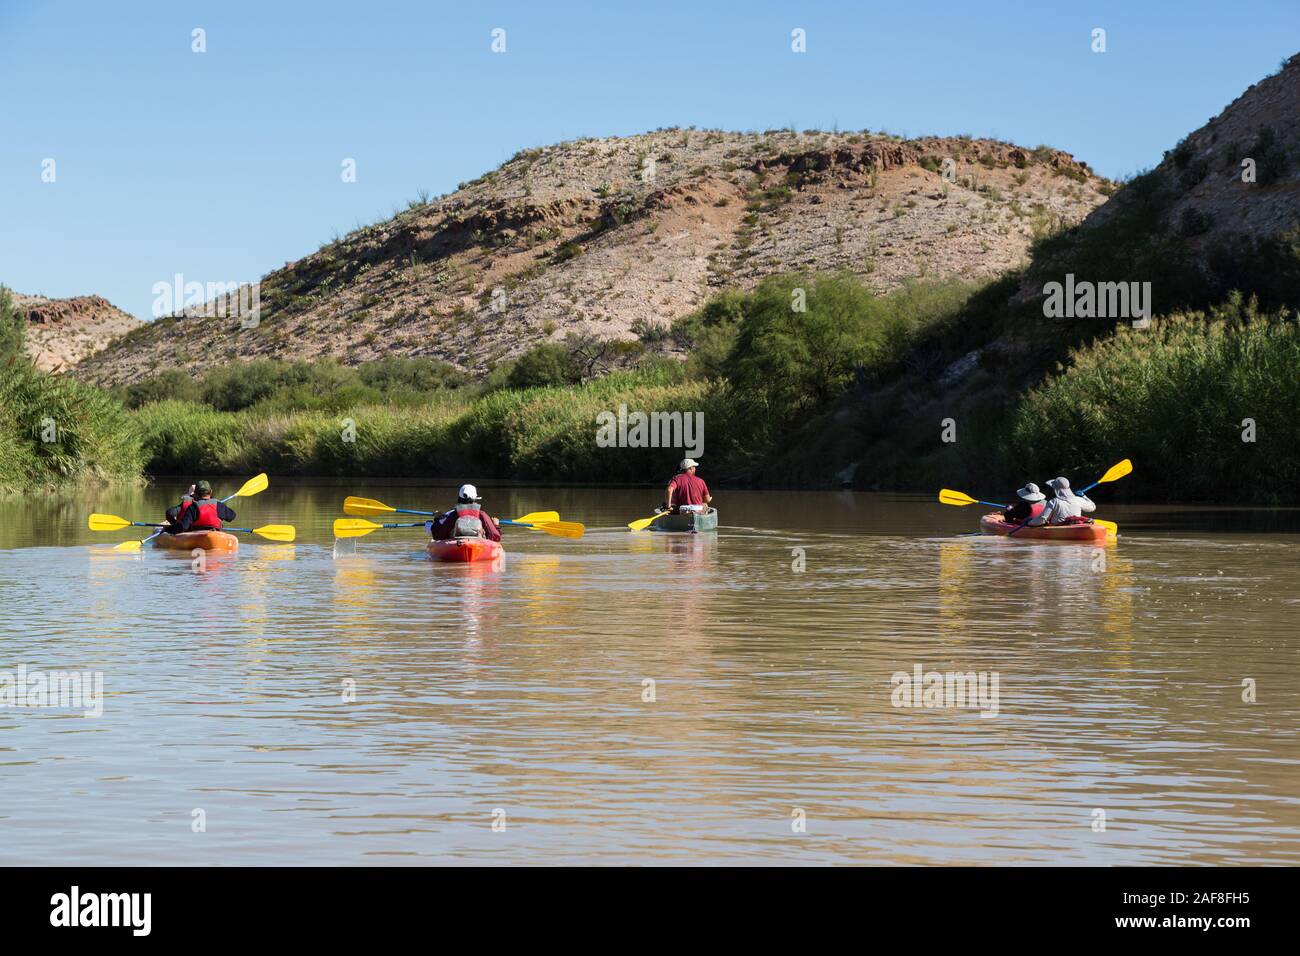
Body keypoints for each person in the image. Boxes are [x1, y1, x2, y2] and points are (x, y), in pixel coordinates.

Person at [428, 484, 502, 542]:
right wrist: (496, 525)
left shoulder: (453, 515)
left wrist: (437, 519)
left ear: (459, 498)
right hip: (478, 543)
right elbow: (496, 537)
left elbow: (438, 536)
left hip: (457, 544)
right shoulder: (482, 515)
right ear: (474, 499)